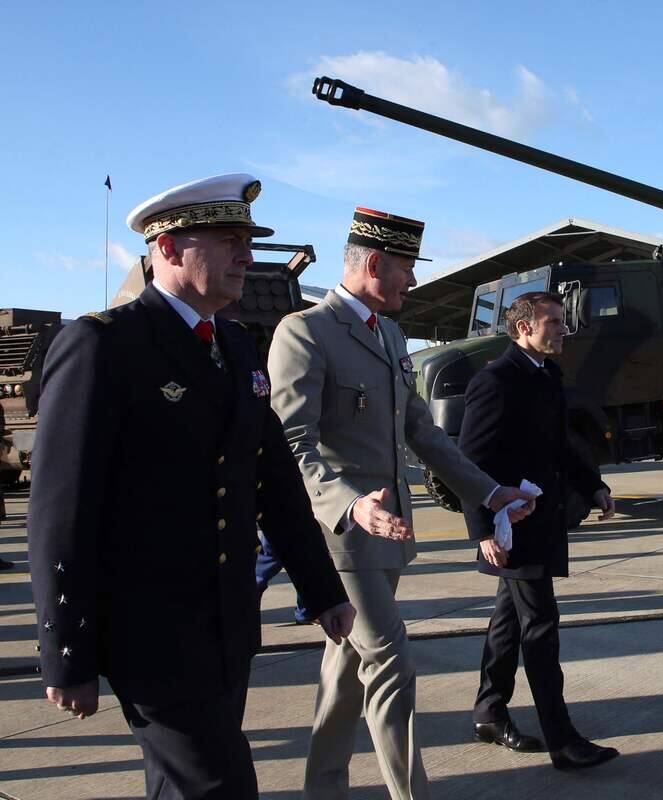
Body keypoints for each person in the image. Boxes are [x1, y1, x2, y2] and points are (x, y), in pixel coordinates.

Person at [27, 173, 355, 799]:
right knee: (219, 787)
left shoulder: (233, 344)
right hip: (149, 634)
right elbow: (60, 512)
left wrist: (321, 589)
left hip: (228, 625)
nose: (247, 257)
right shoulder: (104, 344)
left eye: (248, 242)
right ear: (169, 249)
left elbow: (272, 481)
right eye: (229, 240)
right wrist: (65, 651)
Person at [268, 207, 536, 800]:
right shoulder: (305, 332)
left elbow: (423, 432)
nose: (413, 282)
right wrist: (351, 503)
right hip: (340, 537)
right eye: (408, 268)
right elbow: (290, 443)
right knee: (391, 666)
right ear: (374, 264)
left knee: (344, 676)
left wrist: (490, 493)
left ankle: (323, 790)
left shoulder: (388, 334)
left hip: (387, 536)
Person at [457, 291, 620, 771]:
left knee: (508, 621)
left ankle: (489, 710)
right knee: (541, 630)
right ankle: (563, 740)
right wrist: (484, 530)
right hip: (513, 528)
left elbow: (559, 446)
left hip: (541, 521)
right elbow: (468, 463)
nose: (562, 329)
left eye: (562, 321)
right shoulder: (496, 381)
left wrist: (593, 486)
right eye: (552, 322)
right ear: (523, 328)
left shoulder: (546, 374)